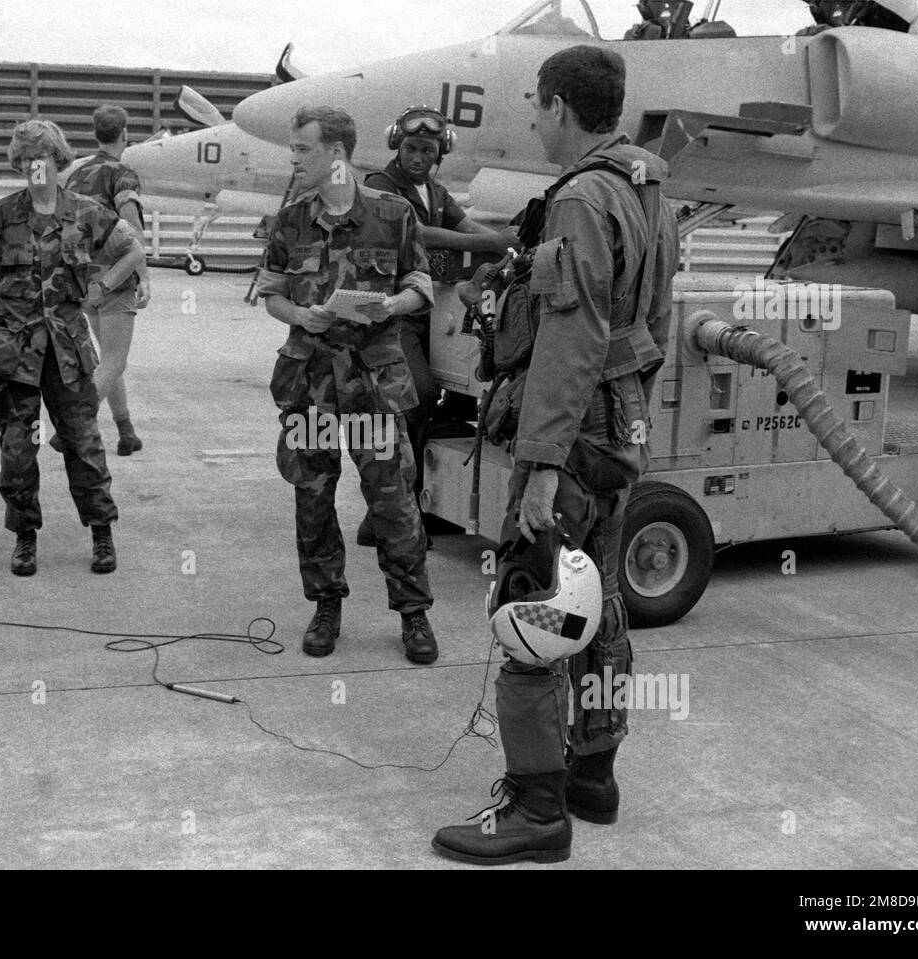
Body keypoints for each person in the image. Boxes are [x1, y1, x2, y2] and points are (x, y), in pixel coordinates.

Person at [432, 46, 679, 864]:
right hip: (622, 425)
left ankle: (538, 808)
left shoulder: (579, 199)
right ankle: (594, 774)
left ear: (562, 108)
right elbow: (657, 322)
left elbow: (571, 338)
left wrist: (540, 463)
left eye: (538, 107)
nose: (535, 121)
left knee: (533, 601)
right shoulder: (650, 187)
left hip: (570, 435)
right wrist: (628, 416)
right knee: (598, 595)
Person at [257, 106, 439, 664]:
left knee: (392, 500)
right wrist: (300, 315)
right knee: (312, 497)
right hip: (309, 379)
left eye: (302, 149)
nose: (294, 157)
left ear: (336, 154)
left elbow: (420, 282)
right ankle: (326, 603)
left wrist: (395, 303)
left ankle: (413, 613)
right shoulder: (290, 220)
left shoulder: (392, 212)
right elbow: (271, 294)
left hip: (372, 382)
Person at [0, 119, 144, 576]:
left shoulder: (86, 211)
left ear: (58, 160)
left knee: (84, 444)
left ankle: (101, 531)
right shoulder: (2, 214)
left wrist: (104, 286)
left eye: (40, 157)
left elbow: (133, 250)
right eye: (24, 159)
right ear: (18, 164)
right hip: (11, 350)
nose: (32, 166)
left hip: (66, 351)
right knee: (18, 449)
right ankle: (24, 537)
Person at [362, 106, 516, 547]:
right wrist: (490, 241)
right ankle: (390, 514)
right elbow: (418, 236)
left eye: (426, 150)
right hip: (394, 314)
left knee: (452, 399)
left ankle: (402, 509)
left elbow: (464, 223)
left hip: (427, 313)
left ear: (439, 154)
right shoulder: (380, 186)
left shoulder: (433, 191)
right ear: (398, 145)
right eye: (410, 148)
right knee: (419, 397)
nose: (417, 156)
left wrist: (508, 239)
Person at [59, 104, 150, 456]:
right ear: (125, 135)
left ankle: (126, 433)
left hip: (84, 278)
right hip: (115, 276)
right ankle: (76, 422)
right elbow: (132, 230)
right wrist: (142, 276)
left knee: (107, 360)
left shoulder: (78, 174)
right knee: (115, 359)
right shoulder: (122, 173)